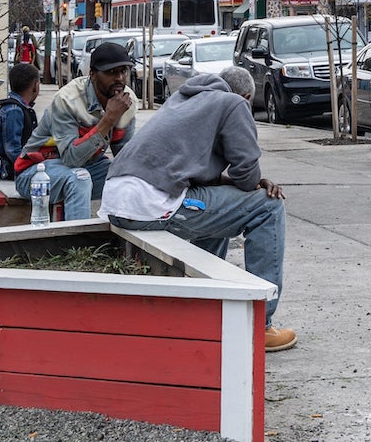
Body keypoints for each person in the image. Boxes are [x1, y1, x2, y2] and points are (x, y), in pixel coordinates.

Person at [100, 65, 295, 352]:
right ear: (245, 97)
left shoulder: (184, 99)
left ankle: (207, 309)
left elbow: (206, 178)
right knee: (268, 207)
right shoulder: (233, 103)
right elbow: (246, 174)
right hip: (150, 204)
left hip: (119, 198)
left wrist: (241, 183)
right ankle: (259, 326)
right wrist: (256, 182)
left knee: (220, 209)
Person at [13, 41, 137, 220]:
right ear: (92, 74)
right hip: (35, 173)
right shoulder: (67, 100)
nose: (119, 78)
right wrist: (108, 119)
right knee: (79, 178)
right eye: (111, 72)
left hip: (87, 168)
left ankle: (124, 234)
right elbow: (72, 159)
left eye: (123, 71)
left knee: (130, 179)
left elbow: (125, 157)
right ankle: (78, 238)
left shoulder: (127, 100)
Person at [0, 63, 41, 180]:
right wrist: (32, 167)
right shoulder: (14, 111)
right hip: (9, 172)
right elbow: (12, 150)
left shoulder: (21, 108)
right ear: (35, 86)